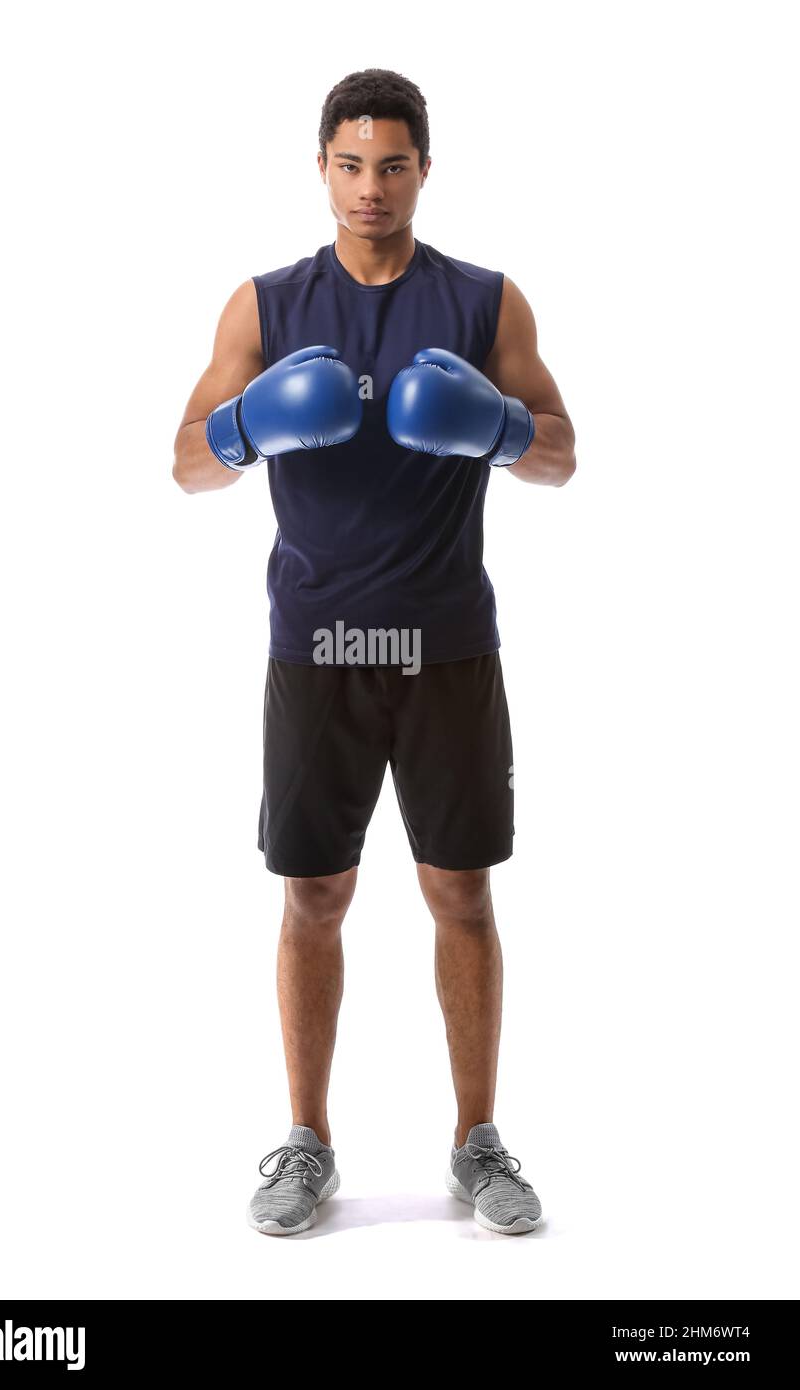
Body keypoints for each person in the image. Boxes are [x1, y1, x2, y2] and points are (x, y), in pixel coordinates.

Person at [172, 68, 576, 1237]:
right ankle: (305, 1143)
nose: (368, 187)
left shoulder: (486, 301)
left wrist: (498, 427)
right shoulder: (262, 305)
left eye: (390, 165)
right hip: (316, 644)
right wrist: (247, 424)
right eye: (348, 165)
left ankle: (476, 1142)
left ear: (422, 172)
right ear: (320, 169)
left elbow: (561, 453)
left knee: (460, 889)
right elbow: (185, 462)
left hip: (446, 641)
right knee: (312, 892)